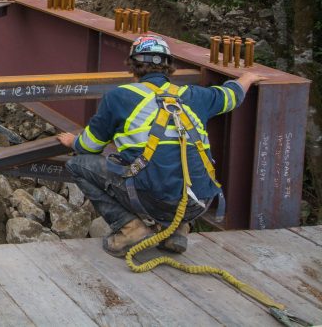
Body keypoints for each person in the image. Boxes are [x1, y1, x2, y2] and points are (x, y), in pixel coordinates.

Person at [57, 34, 264, 257]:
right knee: (171, 171)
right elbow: (232, 95)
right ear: (168, 67)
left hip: (154, 200)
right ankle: (176, 231)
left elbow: (90, 147)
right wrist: (248, 77)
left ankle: (130, 228)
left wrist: (73, 141)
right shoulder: (194, 95)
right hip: (199, 201)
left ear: (133, 67)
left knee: (78, 165)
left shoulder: (120, 97)